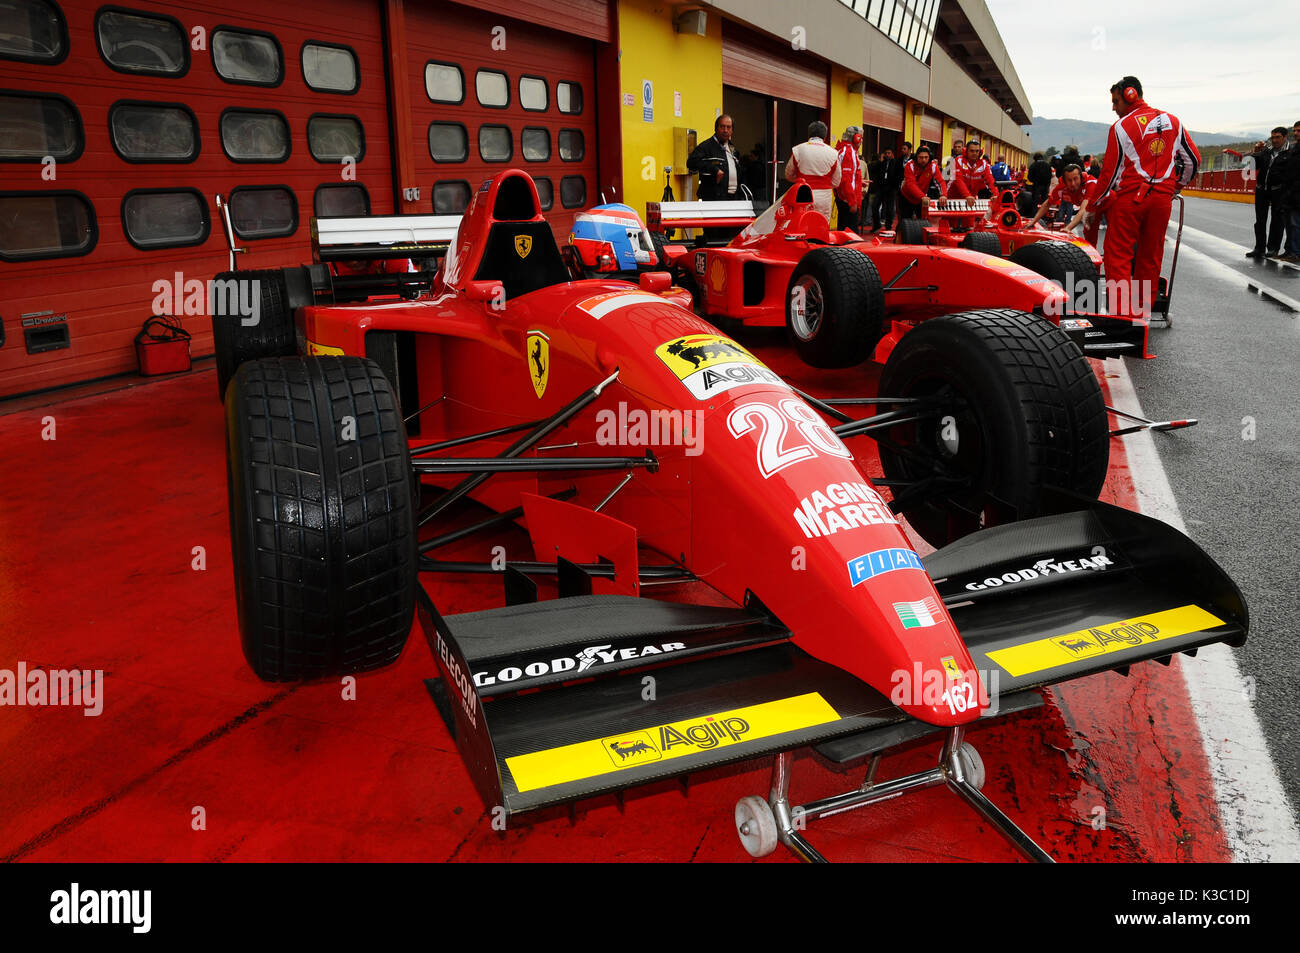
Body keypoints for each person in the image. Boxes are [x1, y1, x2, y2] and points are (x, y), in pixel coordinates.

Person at [1092, 75, 1200, 317]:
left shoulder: (1120, 127)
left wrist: (1094, 204)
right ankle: (1143, 312)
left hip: (1130, 199)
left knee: (1118, 253)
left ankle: (1121, 315)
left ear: (1130, 95)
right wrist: (1177, 186)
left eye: (1116, 101)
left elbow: (1109, 174)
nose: (1113, 107)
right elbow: (1193, 161)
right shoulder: (1173, 121)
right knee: (1151, 255)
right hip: (1162, 200)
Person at [785, 120, 841, 221]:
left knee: (802, 225)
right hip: (824, 195)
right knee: (822, 226)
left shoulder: (798, 149)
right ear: (825, 136)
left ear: (809, 133)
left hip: (803, 194)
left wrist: (799, 181)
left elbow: (788, 174)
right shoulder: (833, 153)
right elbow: (837, 181)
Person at [1026, 163, 1096, 236]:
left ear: (1081, 177)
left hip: (1105, 205)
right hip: (1091, 208)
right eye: (1069, 180)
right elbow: (1047, 204)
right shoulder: (1061, 187)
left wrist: (1068, 228)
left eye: (1075, 179)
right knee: (1089, 233)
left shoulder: (1090, 184)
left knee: (1101, 238)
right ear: (1064, 181)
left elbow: (1083, 210)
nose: (1073, 183)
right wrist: (1033, 221)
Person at [687, 114, 741, 202]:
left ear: (732, 130)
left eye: (728, 127)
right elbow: (691, 162)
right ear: (716, 128)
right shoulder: (706, 146)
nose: (725, 130)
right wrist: (714, 169)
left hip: (733, 199)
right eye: (722, 127)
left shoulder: (734, 150)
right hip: (713, 199)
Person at [1259, 127, 1292, 259]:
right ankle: (1259, 247)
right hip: (1263, 189)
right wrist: (1256, 153)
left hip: (1280, 190)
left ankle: (1273, 248)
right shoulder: (1267, 152)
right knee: (1260, 220)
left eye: (1278, 137)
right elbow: (1256, 166)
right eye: (1272, 137)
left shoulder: (1290, 152)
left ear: (1285, 137)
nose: (1275, 140)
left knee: (1277, 221)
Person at [898, 144, 945, 221]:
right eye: (921, 157)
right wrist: (922, 196)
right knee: (904, 222)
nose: (923, 160)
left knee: (923, 221)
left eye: (926, 157)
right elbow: (911, 184)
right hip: (906, 196)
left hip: (921, 198)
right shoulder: (910, 165)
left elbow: (940, 181)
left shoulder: (933, 165)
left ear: (929, 157)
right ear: (916, 157)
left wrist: (943, 195)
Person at [834, 126, 866, 232]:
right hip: (847, 199)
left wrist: (859, 182)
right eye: (860, 138)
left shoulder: (840, 149)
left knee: (842, 230)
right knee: (851, 235)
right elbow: (846, 180)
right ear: (856, 138)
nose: (861, 141)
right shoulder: (849, 152)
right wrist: (852, 202)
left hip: (841, 196)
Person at [948, 139, 997, 206]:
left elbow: (990, 180)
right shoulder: (958, 161)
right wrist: (967, 195)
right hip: (952, 199)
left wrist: (996, 195)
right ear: (966, 151)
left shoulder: (983, 164)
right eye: (972, 151)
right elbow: (958, 180)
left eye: (977, 151)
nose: (974, 153)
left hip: (970, 200)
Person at [869, 147, 897, 231]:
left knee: (889, 208)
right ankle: (877, 224)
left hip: (891, 188)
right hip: (881, 187)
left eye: (889, 153)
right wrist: (880, 160)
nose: (887, 155)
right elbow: (871, 167)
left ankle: (888, 226)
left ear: (892, 154)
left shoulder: (895, 163)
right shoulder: (881, 163)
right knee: (874, 206)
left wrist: (894, 187)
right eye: (886, 153)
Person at [1285, 121, 1300, 263]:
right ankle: (1291, 251)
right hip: (1291, 193)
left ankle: (1296, 253)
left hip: (1296, 193)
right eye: (1294, 131)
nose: (1295, 133)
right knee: (1291, 224)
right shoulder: (1294, 149)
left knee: (1295, 224)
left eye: (1299, 131)